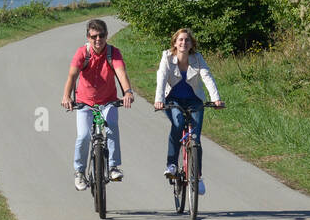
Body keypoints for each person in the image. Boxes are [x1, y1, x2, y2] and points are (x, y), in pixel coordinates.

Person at [61, 19, 135, 190]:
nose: (98, 39)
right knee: (84, 136)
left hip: (108, 101)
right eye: (94, 36)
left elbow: (121, 73)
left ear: (106, 35)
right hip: (85, 103)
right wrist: (66, 96)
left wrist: (128, 92)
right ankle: (80, 172)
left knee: (111, 128)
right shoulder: (82, 53)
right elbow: (72, 76)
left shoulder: (113, 53)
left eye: (101, 35)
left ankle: (113, 167)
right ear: (88, 37)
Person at [153, 27, 223, 183]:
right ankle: (171, 165)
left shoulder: (197, 58)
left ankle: (197, 177)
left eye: (187, 40)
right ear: (175, 43)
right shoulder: (167, 57)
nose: (184, 42)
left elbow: (207, 77)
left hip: (194, 101)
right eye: (181, 40)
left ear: (192, 44)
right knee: (178, 124)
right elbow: (162, 77)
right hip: (173, 100)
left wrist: (216, 98)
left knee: (195, 138)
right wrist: (159, 100)